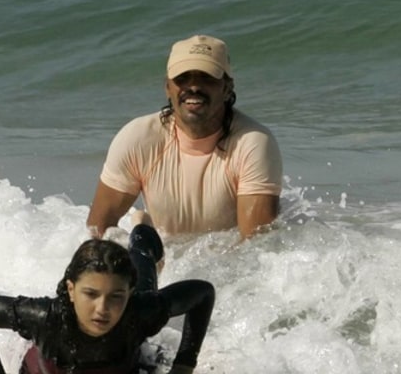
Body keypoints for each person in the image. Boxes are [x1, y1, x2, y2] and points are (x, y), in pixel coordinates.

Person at [0, 223, 215, 374]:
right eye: (90, 294)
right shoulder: (45, 317)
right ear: (71, 289)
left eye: (116, 297)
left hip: (129, 354)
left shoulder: (139, 309)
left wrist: (183, 368)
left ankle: (143, 241)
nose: (102, 308)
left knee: (148, 294)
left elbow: (203, 292)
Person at [86, 34, 282, 239]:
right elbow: (97, 232)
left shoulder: (253, 143)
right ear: (167, 88)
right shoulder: (138, 138)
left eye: (206, 78)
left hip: (228, 260)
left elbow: (255, 248)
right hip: (165, 256)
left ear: (227, 88)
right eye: (182, 78)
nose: (194, 87)